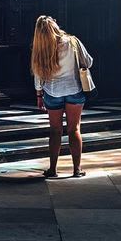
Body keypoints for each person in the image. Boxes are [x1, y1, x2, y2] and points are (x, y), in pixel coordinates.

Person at [30, 14, 93, 179]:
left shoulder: (40, 49)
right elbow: (88, 61)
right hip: (74, 90)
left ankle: (52, 169)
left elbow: (37, 74)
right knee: (74, 129)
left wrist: (39, 94)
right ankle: (77, 169)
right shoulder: (72, 42)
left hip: (52, 92)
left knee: (55, 131)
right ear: (55, 26)